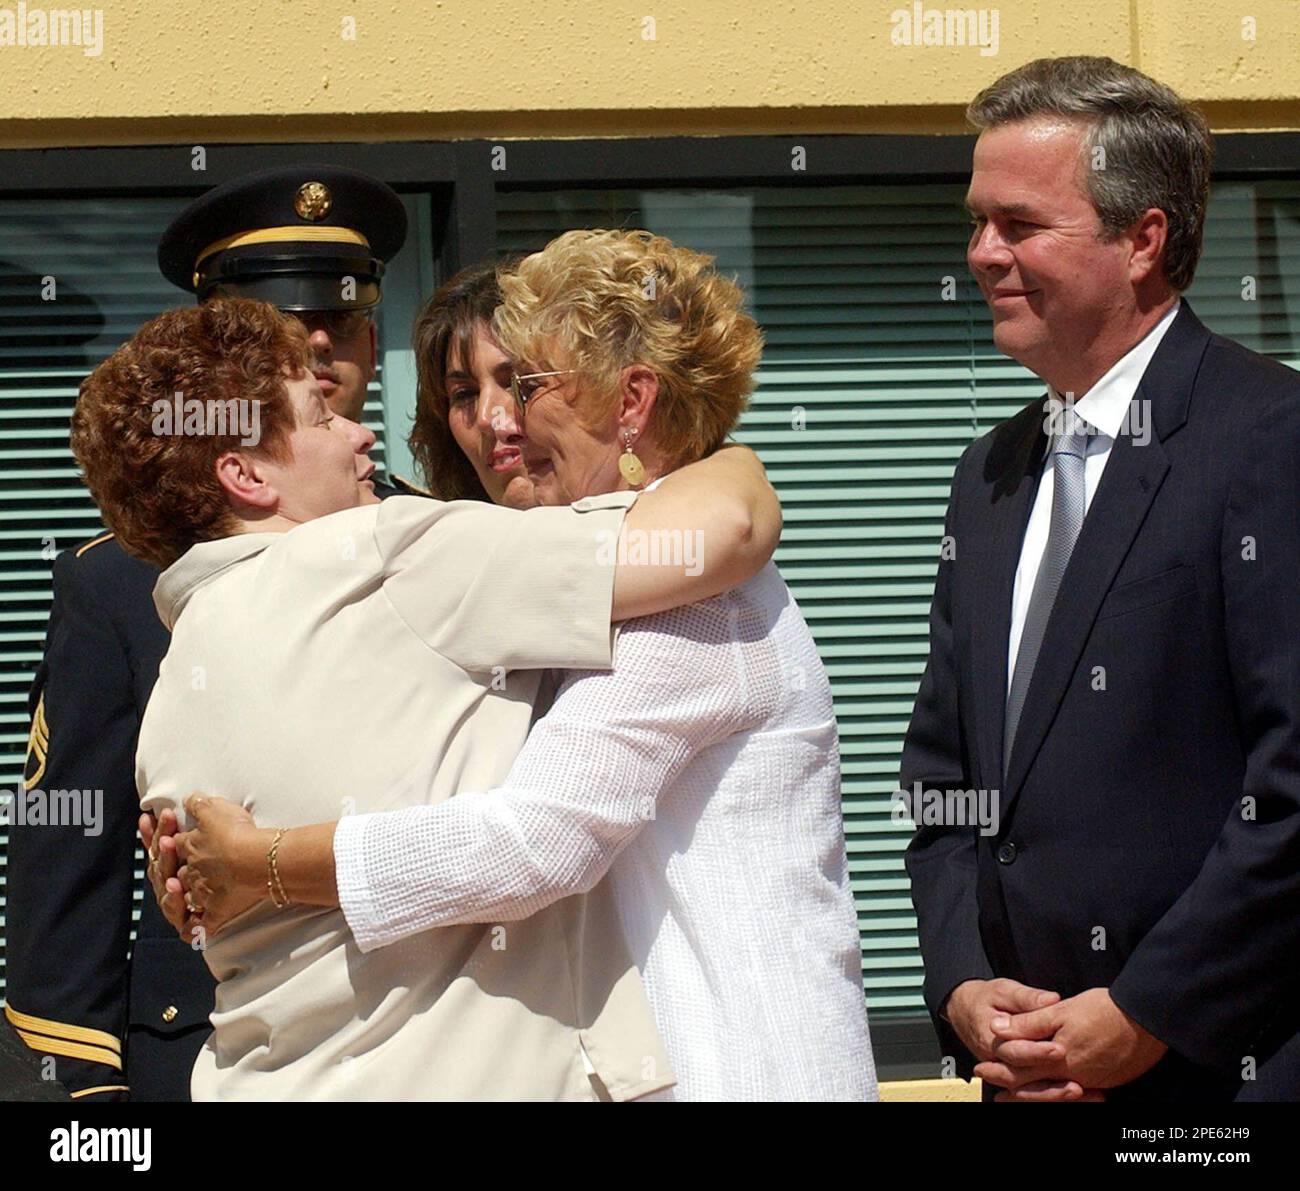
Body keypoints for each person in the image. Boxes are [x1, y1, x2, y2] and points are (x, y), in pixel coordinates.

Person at [155, 231, 877, 1101]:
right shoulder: (557, 575)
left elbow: (535, 843)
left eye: (528, 386)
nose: (502, 421)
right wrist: (206, 869)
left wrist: (268, 862)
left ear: (632, 400)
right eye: (472, 392)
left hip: (737, 1063)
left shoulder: (690, 599)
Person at [901, 56, 1300, 1103]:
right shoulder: (990, 471)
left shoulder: (1267, 436)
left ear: (1142, 239)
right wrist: (961, 986)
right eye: (977, 221)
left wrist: (1148, 1011)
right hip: (1023, 1070)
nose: (982, 253)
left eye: (1020, 224)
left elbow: (1293, 781)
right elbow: (946, 777)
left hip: (1222, 1077)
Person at [4, 164, 413, 1101]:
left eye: (343, 317)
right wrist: (88, 1099)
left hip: (425, 1032)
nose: (319, 338)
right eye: (284, 320)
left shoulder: (445, 541)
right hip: (205, 1055)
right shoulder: (119, 579)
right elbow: (68, 849)